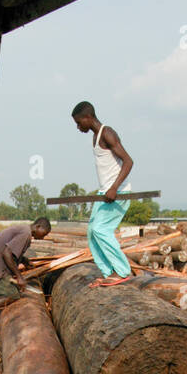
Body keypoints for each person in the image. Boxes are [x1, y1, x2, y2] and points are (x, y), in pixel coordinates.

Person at [71, 101, 134, 287]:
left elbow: (128, 161)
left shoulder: (107, 133)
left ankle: (122, 270)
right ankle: (109, 272)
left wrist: (114, 187)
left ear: (87, 118)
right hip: (103, 193)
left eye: (78, 123)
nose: (78, 127)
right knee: (92, 232)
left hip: (118, 193)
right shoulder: (96, 137)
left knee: (101, 229)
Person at [0, 217, 51, 316]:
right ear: (38, 226)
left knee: (9, 287)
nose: (42, 238)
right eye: (43, 234)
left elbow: (11, 251)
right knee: (12, 295)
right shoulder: (26, 234)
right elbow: (6, 254)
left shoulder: (25, 230)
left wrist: (24, 260)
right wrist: (19, 277)